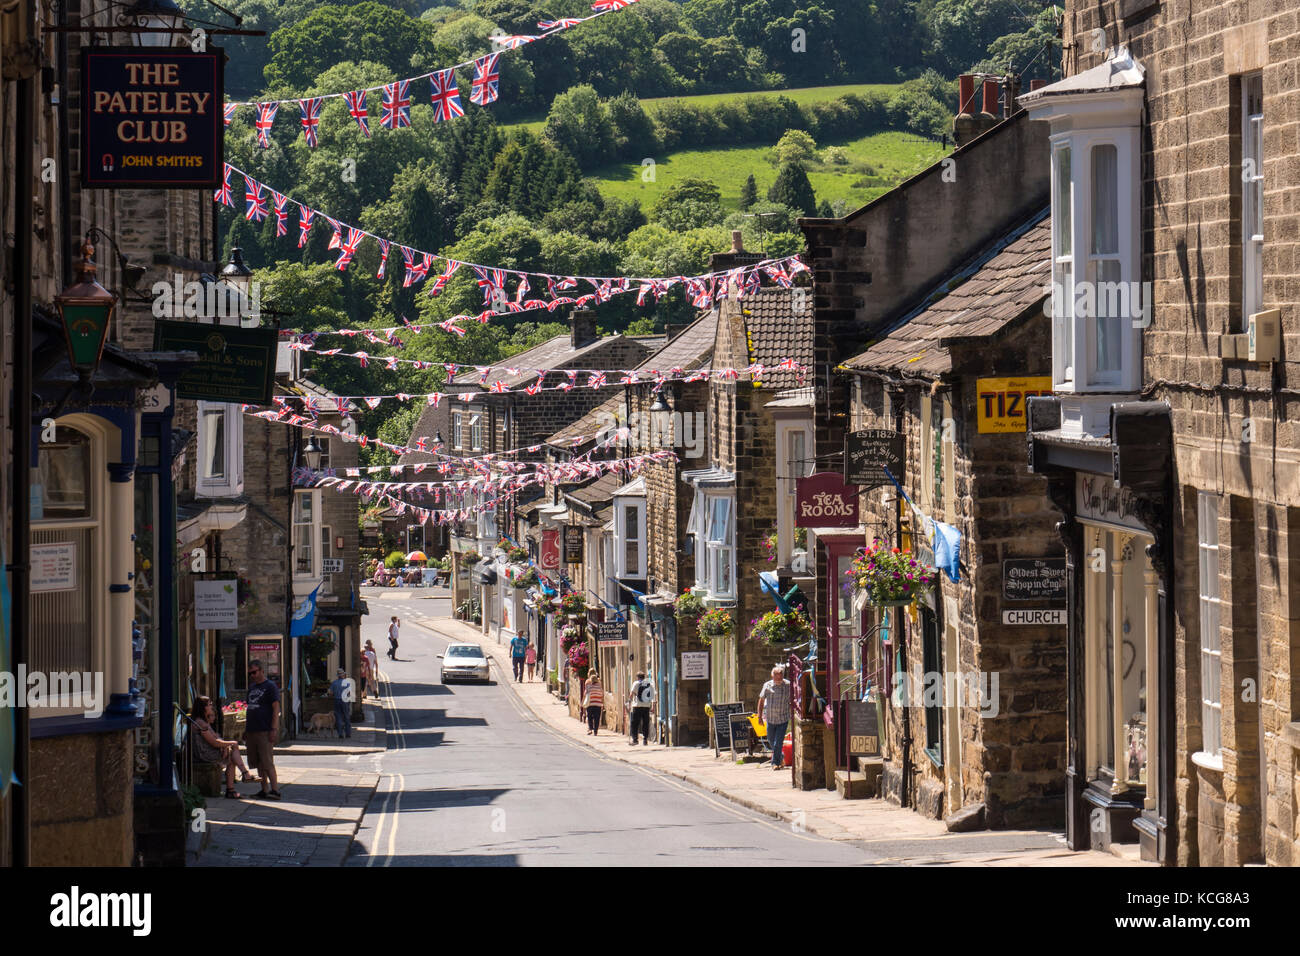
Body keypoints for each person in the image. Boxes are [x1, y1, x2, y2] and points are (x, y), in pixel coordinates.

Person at [189, 696, 253, 798]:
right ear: (203, 707)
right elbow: (213, 742)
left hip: (209, 750)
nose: (211, 706)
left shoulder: (204, 721)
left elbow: (216, 737)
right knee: (233, 748)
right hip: (204, 753)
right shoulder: (200, 723)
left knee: (232, 755)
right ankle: (243, 775)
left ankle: (233, 788)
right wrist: (229, 744)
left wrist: (224, 746)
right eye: (209, 704)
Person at [245, 660, 282, 799]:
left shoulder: (270, 686)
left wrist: (274, 728)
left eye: (254, 672)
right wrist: (246, 729)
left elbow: (275, 708)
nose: (252, 675)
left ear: (261, 671)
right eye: (250, 673)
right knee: (258, 762)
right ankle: (264, 789)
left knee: (267, 761)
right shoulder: (252, 687)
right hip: (252, 729)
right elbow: (250, 707)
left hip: (265, 729)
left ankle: (275, 790)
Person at [757, 665, 792, 771]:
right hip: (770, 719)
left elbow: (794, 699)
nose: (778, 678)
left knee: (778, 742)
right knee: (771, 740)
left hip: (783, 719)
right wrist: (759, 716)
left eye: (780, 675)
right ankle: (780, 757)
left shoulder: (788, 685)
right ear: (772, 676)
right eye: (776, 675)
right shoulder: (767, 686)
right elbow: (761, 701)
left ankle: (775, 763)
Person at [628, 670, 655, 745]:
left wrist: (629, 702)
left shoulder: (636, 683)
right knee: (645, 723)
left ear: (637, 677)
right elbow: (652, 696)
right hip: (646, 706)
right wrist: (653, 706)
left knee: (634, 723)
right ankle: (645, 739)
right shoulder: (649, 684)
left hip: (637, 706)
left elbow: (631, 694)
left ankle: (635, 739)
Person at [330, 668, 355, 738]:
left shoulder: (334, 683)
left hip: (337, 700)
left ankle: (340, 734)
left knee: (338, 717)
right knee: (346, 717)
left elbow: (330, 693)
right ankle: (348, 733)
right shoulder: (348, 683)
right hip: (345, 701)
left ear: (338, 676)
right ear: (343, 675)